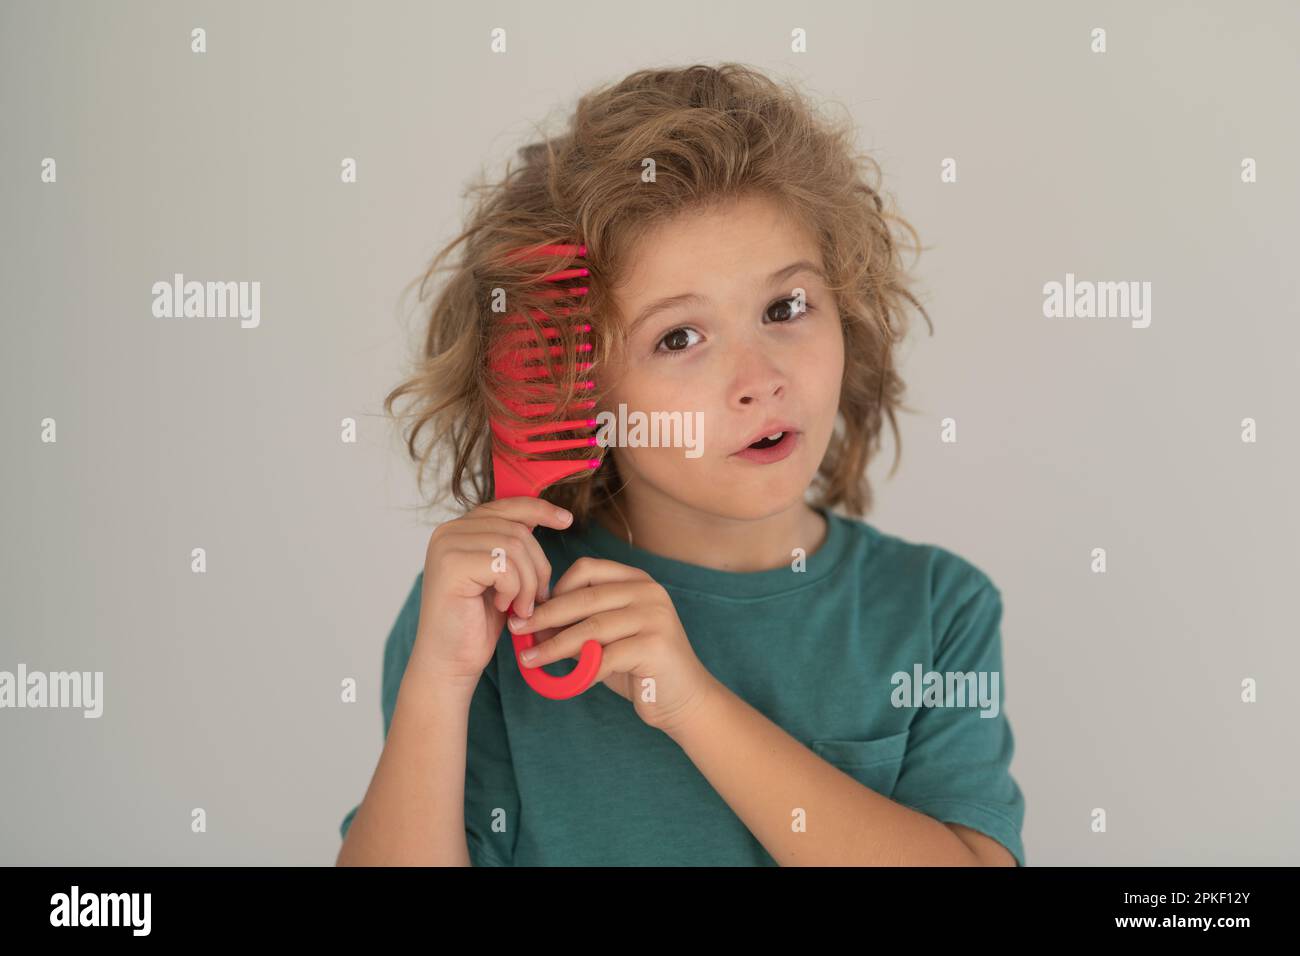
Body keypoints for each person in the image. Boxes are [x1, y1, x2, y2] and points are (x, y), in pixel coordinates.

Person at [336, 63, 1025, 866]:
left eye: (785, 308)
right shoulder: (500, 613)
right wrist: (440, 684)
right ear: (566, 387)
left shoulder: (937, 611)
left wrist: (692, 703)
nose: (759, 376)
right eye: (679, 338)